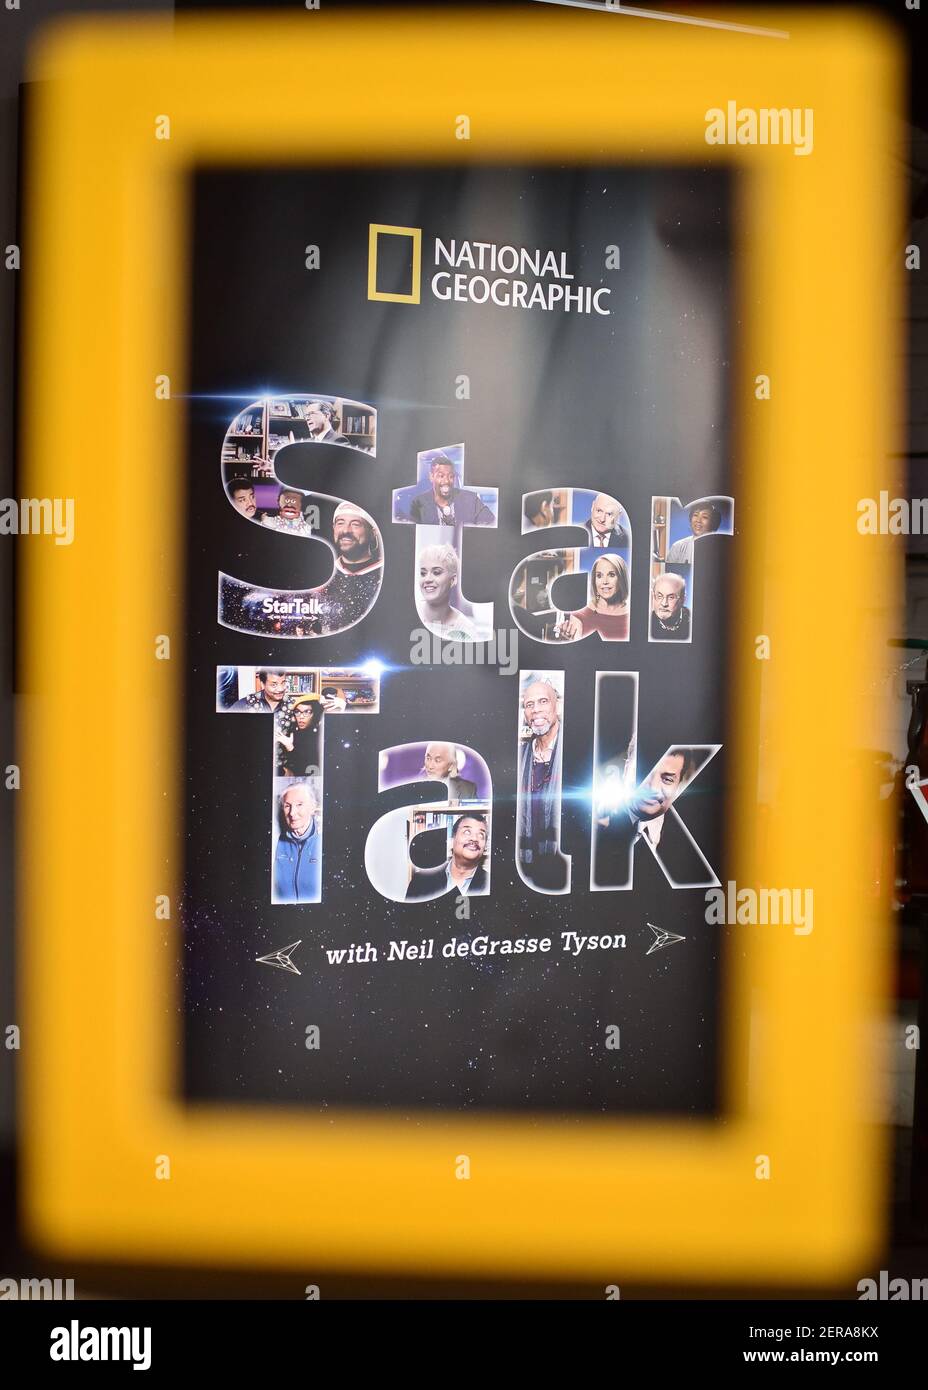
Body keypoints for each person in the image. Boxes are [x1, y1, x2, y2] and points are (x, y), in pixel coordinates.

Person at [592, 747, 712, 888]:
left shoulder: (697, 844)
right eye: (643, 773)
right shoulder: (593, 830)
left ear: (678, 786)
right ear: (626, 770)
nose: (653, 789)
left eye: (667, 779)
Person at [517, 677, 568, 891]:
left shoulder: (576, 750)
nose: (536, 710)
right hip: (526, 867)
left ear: (557, 705)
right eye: (529, 705)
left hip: (566, 869)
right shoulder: (519, 756)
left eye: (543, 701)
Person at [312, 501, 383, 632]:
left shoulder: (385, 572)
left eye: (355, 524)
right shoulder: (319, 572)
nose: (345, 530)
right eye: (340, 523)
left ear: (373, 533)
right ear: (333, 528)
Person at [405, 813, 489, 899]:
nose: (474, 838)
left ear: (485, 846)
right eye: (467, 832)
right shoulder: (420, 881)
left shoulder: (492, 884)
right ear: (452, 840)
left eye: (481, 835)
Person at [416, 543, 488, 641]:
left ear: (453, 580)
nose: (427, 579)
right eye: (423, 573)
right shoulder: (409, 613)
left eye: (436, 572)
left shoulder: (465, 628)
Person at [408, 454, 495, 526]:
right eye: (441, 476)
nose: (446, 481)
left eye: (451, 476)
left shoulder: (471, 499)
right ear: (431, 477)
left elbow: (490, 522)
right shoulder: (418, 502)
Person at [559, 555, 630, 641]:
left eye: (611, 575)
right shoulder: (580, 614)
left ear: (622, 579)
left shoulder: (633, 614)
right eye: (599, 576)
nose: (605, 581)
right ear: (594, 580)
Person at [274, 781, 321, 903]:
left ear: (312, 807)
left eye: (299, 804)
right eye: (287, 806)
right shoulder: (275, 842)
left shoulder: (324, 842)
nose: (292, 813)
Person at [276, 695, 323, 775]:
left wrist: (289, 746)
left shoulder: (318, 736)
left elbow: (308, 769)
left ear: (315, 714)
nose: (301, 717)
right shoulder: (294, 730)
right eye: (297, 712)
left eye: (307, 712)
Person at [650, 573, 691, 640]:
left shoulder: (693, 621)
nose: (664, 603)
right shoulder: (646, 622)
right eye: (659, 596)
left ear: (683, 600)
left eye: (671, 597)